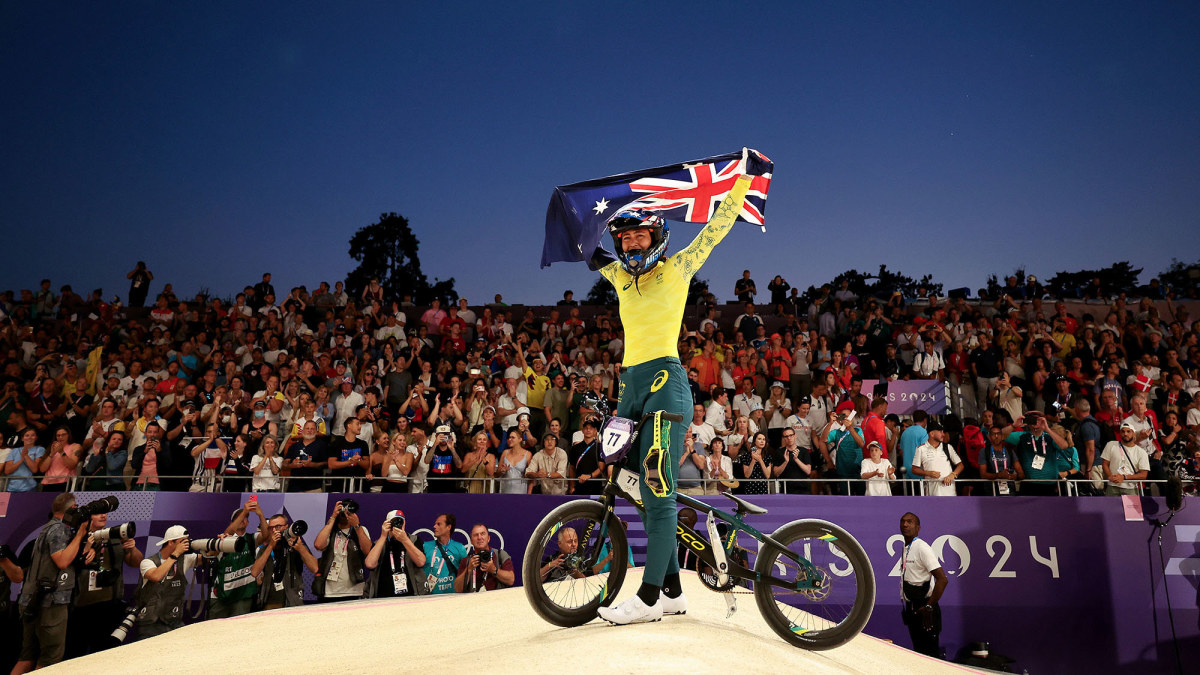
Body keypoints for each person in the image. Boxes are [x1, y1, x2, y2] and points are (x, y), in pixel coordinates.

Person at [592, 177, 754, 626]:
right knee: (634, 485)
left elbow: (717, 228)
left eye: (639, 235)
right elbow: (585, 246)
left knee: (657, 490)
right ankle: (673, 591)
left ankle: (646, 599)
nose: (630, 243)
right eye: (623, 237)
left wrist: (740, 181)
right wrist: (572, 208)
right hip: (631, 385)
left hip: (666, 380)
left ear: (657, 237)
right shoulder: (618, 275)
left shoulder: (677, 268)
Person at [13, 493, 88, 672]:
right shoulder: (60, 530)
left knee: (27, 657)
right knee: (49, 659)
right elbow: (61, 561)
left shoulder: (45, 529)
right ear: (71, 510)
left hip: (31, 600)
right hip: (50, 604)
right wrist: (80, 535)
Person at [68, 508, 144, 657]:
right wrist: (86, 547)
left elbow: (136, 562)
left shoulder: (115, 537)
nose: (103, 515)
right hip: (82, 606)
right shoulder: (77, 539)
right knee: (76, 654)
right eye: (97, 513)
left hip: (110, 605)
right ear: (88, 518)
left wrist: (132, 548)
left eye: (105, 512)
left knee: (106, 653)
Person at [136, 525, 202, 640]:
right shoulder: (147, 562)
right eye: (182, 542)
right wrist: (175, 554)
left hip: (174, 622)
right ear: (171, 542)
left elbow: (210, 555)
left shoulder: (185, 559)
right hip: (150, 625)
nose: (186, 545)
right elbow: (156, 576)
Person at [899, 512, 948, 658]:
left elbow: (942, 580)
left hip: (925, 610)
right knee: (919, 656)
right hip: (912, 610)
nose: (905, 524)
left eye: (910, 522)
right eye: (902, 521)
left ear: (918, 527)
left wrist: (929, 606)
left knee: (929, 658)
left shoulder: (922, 547)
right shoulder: (906, 547)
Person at [208, 501, 265, 619]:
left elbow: (266, 536)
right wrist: (244, 511)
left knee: (238, 632)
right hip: (221, 596)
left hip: (242, 596)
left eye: (245, 517)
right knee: (214, 632)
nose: (243, 519)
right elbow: (228, 532)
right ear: (232, 523)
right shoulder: (223, 539)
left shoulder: (251, 539)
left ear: (248, 522)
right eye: (239, 518)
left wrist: (260, 515)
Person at [251, 513, 319, 610]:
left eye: (278, 526)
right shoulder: (264, 549)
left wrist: (300, 548)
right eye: (271, 528)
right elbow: (254, 572)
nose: (274, 530)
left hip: (292, 601)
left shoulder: (296, 547)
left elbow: (314, 568)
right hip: (269, 602)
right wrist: (271, 546)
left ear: (286, 527)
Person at [313, 500, 373, 602]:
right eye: (343, 511)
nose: (346, 515)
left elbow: (368, 552)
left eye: (349, 512)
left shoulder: (361, 530)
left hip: (354, 590)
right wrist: (332, 518)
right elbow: (318, 545)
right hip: (329, 591)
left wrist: (357, 526)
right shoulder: (330, 530)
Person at [364, 510, 426, 598]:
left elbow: (421, 562)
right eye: (394, 522)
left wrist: (405, 540)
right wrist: (383, 536)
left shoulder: (413, 540)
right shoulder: (379, 543)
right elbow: (370, 564)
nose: (398, 525)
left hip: (410, 596)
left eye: (400, 521)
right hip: (383, 596)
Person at [455, 523, 515, 592]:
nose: (479, 537)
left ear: (488, 538)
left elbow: (511, 580)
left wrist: (494, 570)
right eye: (476, 535)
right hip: (475, 601)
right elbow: (457, 590)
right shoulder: (467, 561)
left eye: (483, 534)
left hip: (498, 600)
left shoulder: (500, 555)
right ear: (471, 541)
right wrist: (469, 569)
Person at [416, 513, 467, 595]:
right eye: (435, 524)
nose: (434, 526)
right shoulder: (425, 546)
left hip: (453, 597)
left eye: (439, 524)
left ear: (448, 527)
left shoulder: (460, 548)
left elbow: (466, 573)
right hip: (430, 598)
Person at [910, 421, 963, 497]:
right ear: (931, 434)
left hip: (950, 493)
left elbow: (960, 465)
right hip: (932, 493)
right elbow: (914, 469)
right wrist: (928, 473)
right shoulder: (920, 449)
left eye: (943, 431)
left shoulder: (948, 447)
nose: (943, 434)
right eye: (940, 431)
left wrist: (953, 475)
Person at [1102, 422, 1151, 496]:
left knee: (1130, 508)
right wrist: (1109, 476)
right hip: (1112, 486)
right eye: (1123, 431)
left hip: (1130, 488)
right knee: (1109, 507)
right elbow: (1105, 463)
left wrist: (1124, 477)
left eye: (1128, 431)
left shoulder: (1141, 452)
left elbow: (1143, 475)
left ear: (1134, 434)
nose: (1125, 434)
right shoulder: (1111, 445)